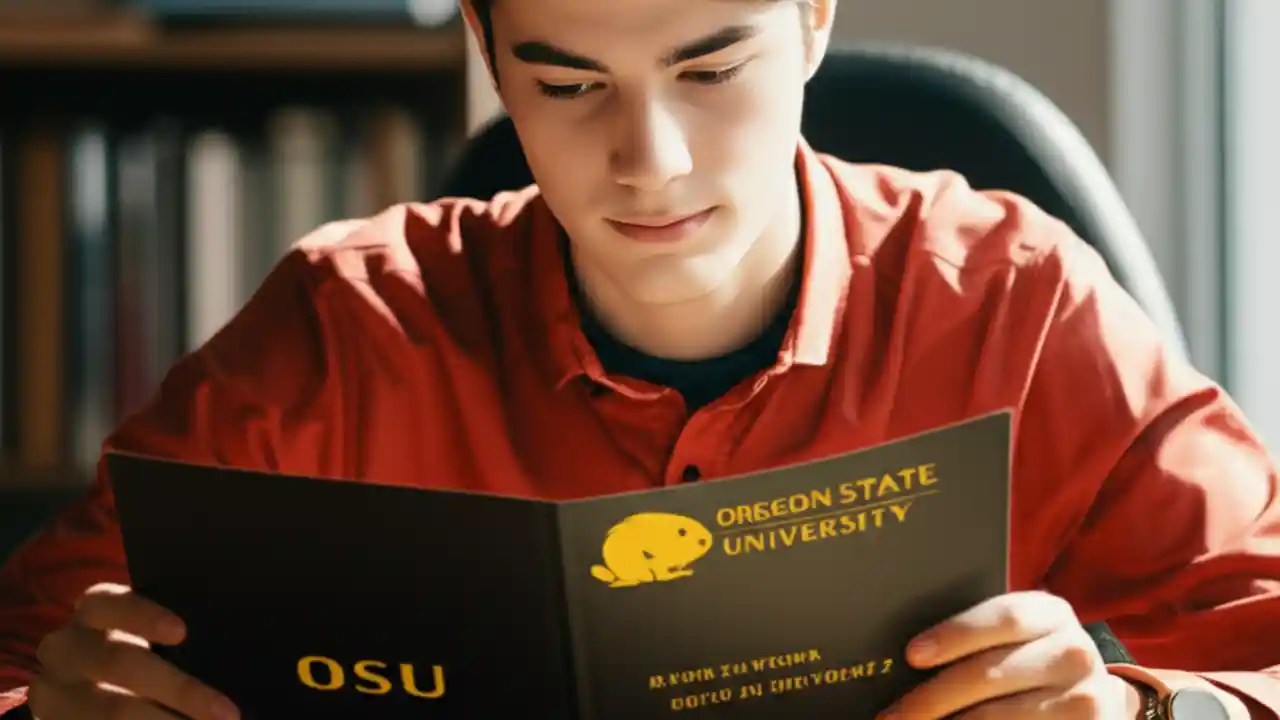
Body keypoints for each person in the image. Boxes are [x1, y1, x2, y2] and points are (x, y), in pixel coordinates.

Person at [2, 0, 1278, 717]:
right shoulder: (346, 328)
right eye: (565, 88)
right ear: (485, 51)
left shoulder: (1011, 298)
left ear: (814, 19)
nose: (648, 158)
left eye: (710, 67)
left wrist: (1142, 714)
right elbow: (26, 656)